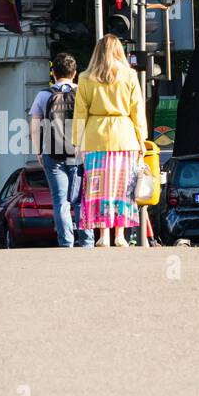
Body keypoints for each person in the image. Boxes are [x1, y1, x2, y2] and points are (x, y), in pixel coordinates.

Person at [72, 34, 147, 247]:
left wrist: (77, 141)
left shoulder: (86, 77)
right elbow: (137, 110)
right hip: (125, 136)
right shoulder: (130, 76)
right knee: (122, 187)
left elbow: (80, 112)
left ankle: (103, 236)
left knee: (98, 188)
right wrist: (142, 138)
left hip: (95, 136)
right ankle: (120, 235)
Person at [30, 52, 92, 247]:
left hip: (53, 152)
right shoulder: (82, 92)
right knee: (82, 198)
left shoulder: (44, 95)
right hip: (79, 153)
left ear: (53, 73)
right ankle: (88, 241)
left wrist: (38, 151)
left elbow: (34, 125)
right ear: (74, 73)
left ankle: (66, 243)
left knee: (60, 200)